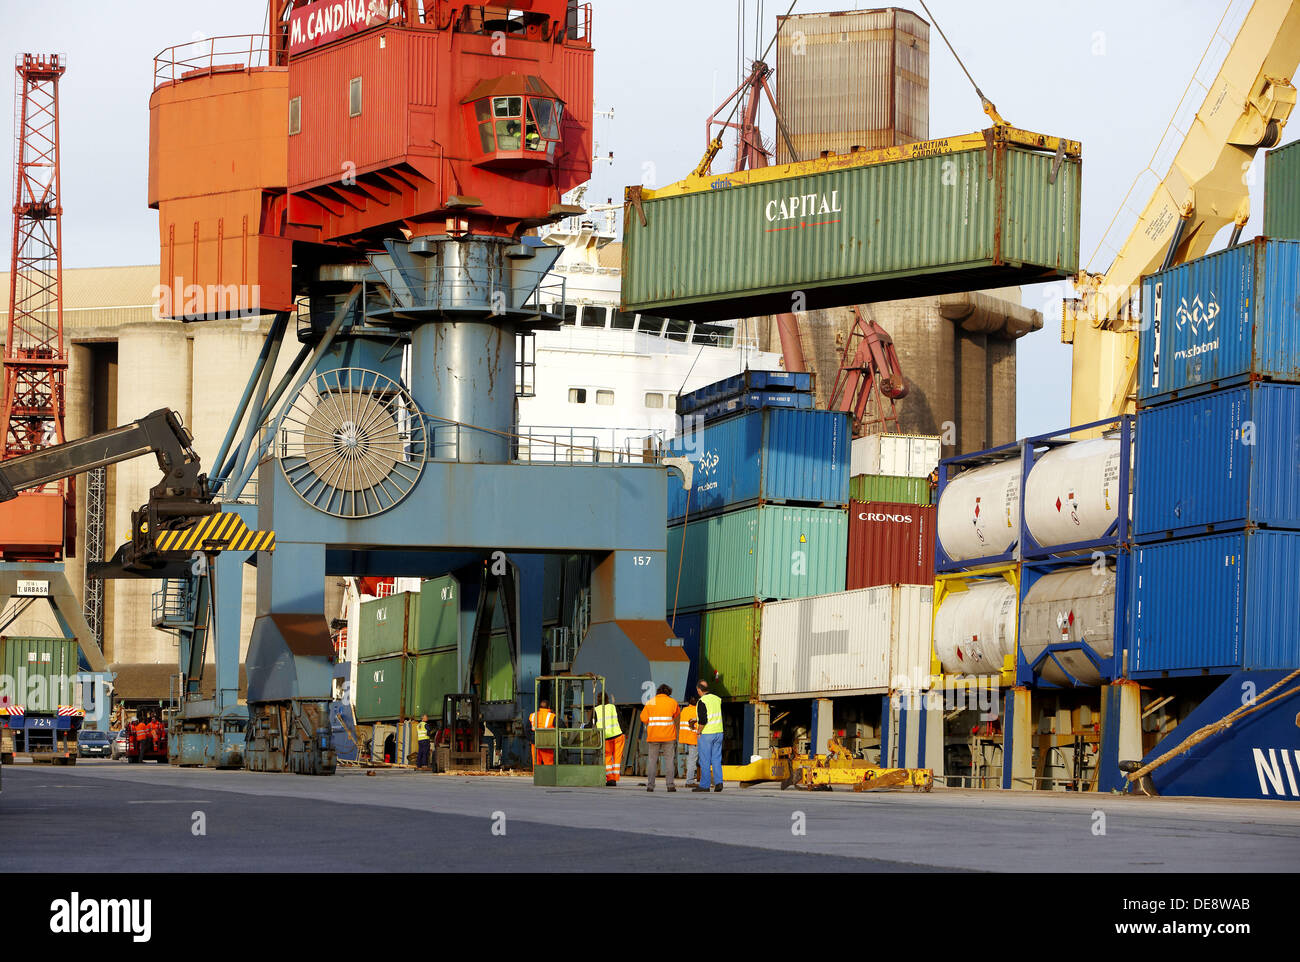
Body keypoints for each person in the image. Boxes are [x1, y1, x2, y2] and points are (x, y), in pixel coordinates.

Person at [639, 684, 679, 792]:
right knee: (669, 761)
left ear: (658, 692)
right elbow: (675, 715)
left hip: (654, 736)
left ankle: (650, 786)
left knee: (652, 761)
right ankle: (670, 785)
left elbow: (643, 717)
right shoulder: (673, 702)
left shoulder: (651, 702)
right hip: (668, 736)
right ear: (668, 692)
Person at [693, 681, 724, 793]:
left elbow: (703, 720)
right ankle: (719, 782)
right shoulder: (717, 699)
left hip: (707, 733)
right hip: (719, 732)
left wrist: (698, 731)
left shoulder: (702, 701)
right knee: (716, 759)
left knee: (705, 760)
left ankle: (705, 785)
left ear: (699, 690)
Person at [593, 693, 624, 787]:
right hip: (618, 735)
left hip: (606, 737)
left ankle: (610, 779)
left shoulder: (596, 710)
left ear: (597, 700)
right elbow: (621, 720)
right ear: (607, 699)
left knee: (607, 757)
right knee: (617, 757)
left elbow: (592, 724)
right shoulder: (613, 707)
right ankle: (616, 777)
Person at [678, 693, 700, 786]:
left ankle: (695, 778)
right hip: (694, 738)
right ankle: (690, 781)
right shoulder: (697, 711)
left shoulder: (684, 710)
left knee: (693, 759)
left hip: (685, 737)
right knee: (693, 760)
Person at [529, 699, 556, 766]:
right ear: (549, 707)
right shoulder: (552, 716)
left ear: (539, 707)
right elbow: (562, 725)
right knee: (548, 764)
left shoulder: (533, 715)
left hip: (535, 743)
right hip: (547, 743)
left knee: (536, 764)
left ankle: (537, 776)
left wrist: (531, 739)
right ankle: (549, 776)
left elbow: (527, 729)